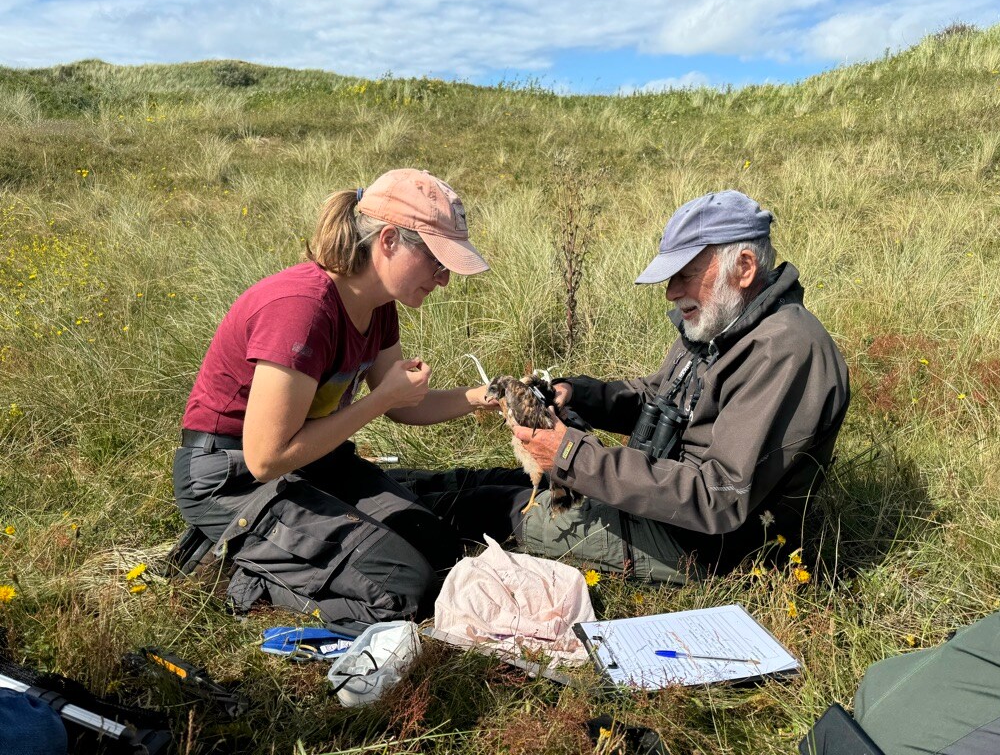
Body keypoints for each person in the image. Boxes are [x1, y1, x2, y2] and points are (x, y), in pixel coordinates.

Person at [171, 168, 500, 625]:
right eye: (436, 261)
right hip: (230, 476)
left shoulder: (379, 308)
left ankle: (283, 549)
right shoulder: (300, 311)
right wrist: (379, 400)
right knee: (402, 589)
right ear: (388, 240)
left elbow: (409, 406)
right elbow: (266, 458)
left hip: (311, 462)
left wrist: (485, 396)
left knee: (440, 550)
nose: (443, 279)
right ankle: (244, 577)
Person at [507, 190, 850, 581]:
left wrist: (573, 456)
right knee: (499, 480)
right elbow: (660, 400)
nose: (671, 292)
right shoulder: (723, 322)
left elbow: (717, 498)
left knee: (499, 505)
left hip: (702, 547)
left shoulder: (784, 352)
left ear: (744, 267)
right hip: (661, 501)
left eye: (686, 274)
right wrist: (578, 394)